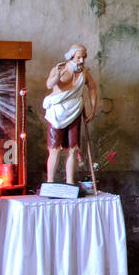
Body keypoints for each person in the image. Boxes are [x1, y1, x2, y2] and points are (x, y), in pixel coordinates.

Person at [43, 44, 98, 184]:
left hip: (74, 112)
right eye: (79, 57)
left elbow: (92, 87)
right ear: (71, 56)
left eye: (84, 58)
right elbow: (49, 85)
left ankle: (70, 182)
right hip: (57, 113)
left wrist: (93, 108)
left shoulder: (84, 73)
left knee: (73, 149)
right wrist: (57, 76)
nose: (81, 61)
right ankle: (50, 181)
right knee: (54, 149)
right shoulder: (59, 69)